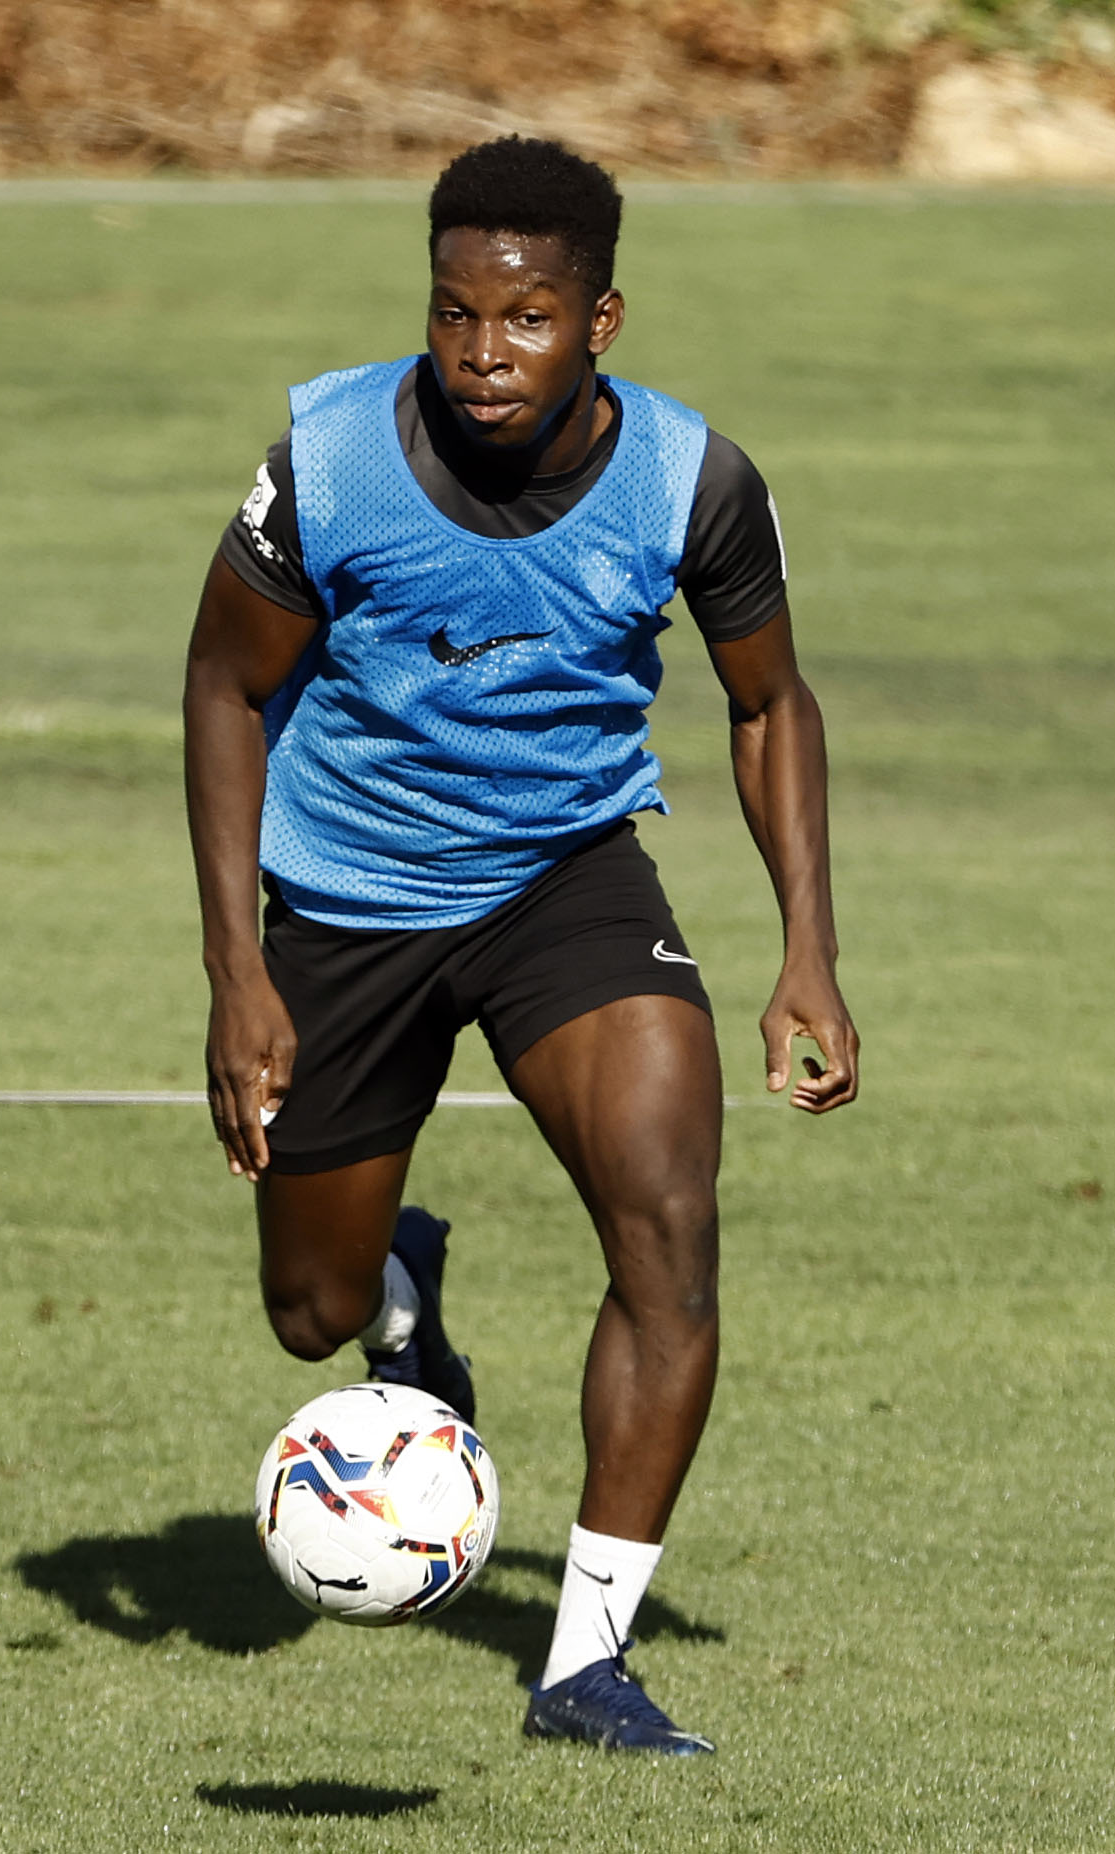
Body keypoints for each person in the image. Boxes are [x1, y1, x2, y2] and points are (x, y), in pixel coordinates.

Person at [183, 136, 857, 1753]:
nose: (487, 353)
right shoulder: (327, 458)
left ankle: (585, 1665)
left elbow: (768, 706)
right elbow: (223, 687)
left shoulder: (695, 480)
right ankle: (400, 1292)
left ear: (600, 319)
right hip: (347, 894)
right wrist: (239, 974)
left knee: (669, 1228)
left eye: (529, 318)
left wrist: (807, 953)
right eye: (458, 314)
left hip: (567, 884)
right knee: (306, 1307)